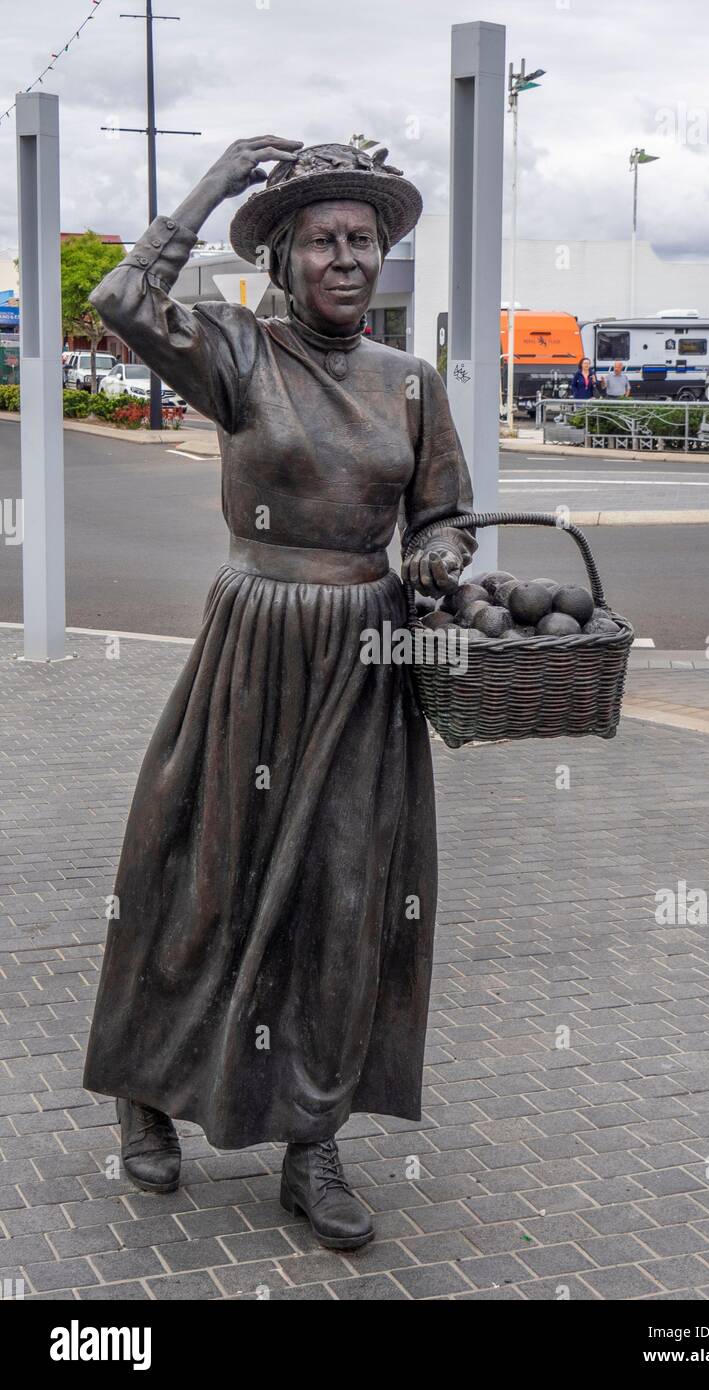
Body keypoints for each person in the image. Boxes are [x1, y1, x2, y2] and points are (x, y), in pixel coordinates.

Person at [82, 136, 476, 1252]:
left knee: (345, 901)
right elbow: (120, 295)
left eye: (363, 241)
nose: (346, 259)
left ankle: (314, 1142)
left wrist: (440, 557)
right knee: (196, 874)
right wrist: (214, 185)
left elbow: (442, 513)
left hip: (367, 660)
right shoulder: (239, 356)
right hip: (256, 645)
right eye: (323, 241)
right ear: (285, 260)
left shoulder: (411, 385)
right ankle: (146, 1093)